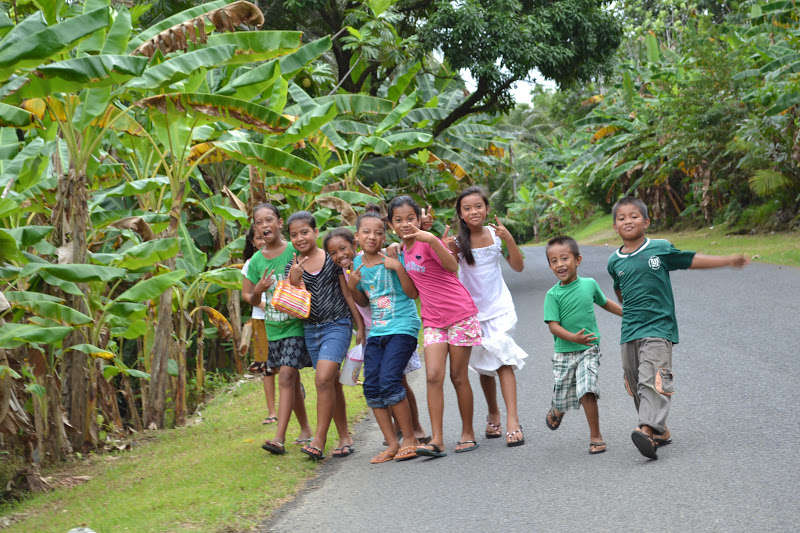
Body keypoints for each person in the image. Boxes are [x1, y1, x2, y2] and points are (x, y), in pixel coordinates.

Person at [607, 196, 750, 459]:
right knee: (634, 380)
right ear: (615, 226)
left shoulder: (659, 248)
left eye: (634, 216)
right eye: (621, 218)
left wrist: (727, 260)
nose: (628, 221)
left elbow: (690, 260)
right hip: (629, 331)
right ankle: (660, 431)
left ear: (647, 222)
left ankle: (647, 428)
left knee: (653, 378)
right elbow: (620, 289)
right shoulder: (614, 261)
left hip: (659, 328)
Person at [388, 195, 481, 457]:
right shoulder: (401, 250)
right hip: (433, 320)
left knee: (458, 376)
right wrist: (398, 267)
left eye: (410, 218)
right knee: (433, 376)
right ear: (391, 225)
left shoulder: (428, 242)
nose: (405, 224)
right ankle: (437, 440)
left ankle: (467, 433)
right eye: (399, 220)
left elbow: (452, 267)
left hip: (460, 314)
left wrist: (431, 239)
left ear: (419, 219)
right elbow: (412, 294)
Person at [324, 226, 429, 444]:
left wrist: (395, 246)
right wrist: (361, 329)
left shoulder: (369, 257)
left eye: (343, 248)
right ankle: (396, 432)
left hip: (397, 325)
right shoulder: (345, 270)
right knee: (379, 383)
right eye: (333, 253)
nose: (339, 255)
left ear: (354, 243)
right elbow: (355, 301)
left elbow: (396, 257)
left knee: (396, 379)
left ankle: (413, 429)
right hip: (374, 330)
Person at [445, 186, 528, 447]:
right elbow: (446, 273)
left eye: (478, 206)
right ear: (460, 214)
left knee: (503, 358)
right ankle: (494, 412)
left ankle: (513, 420)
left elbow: (518, 266)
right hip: (472, 313)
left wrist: (510, 239)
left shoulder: (497, 234)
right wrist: (445, 249)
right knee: (484, 364)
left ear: (487, 208)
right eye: (467, 208)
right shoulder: (458, 243)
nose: (474, 211)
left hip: (500, 308)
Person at [346, 210, 423, 463]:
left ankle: (410, 439)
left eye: (378, 233)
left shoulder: (393, 254)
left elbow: (413, 294)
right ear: (357, 236)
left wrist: (398, 267)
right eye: (366, 232)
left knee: (390, 380)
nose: (372, 237)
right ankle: (392, 444)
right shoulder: (355, 264)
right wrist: (352, 286)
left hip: (403, 327)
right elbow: (363, 303)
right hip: (376, 331)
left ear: (384, 236)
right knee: (371, 386)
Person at [286, 211, 364, 460]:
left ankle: (319, 439)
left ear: (316, 232)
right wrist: (295, 281)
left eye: (304, 232)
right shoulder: (293, 264)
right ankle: (344, 437)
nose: (300, 238)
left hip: (337, 325)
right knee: (330, 382)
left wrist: (359, 325)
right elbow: (294, 303)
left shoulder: (331, 259)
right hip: (311, 329)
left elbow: (349, 294)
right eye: (294, 235)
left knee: (322, 380)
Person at [243, 203, 313, 456]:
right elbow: (248, 296)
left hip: (295, 325)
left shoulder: (295, 249)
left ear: (280, 223)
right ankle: (305, 429)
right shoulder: (256, 261)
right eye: (259, 222)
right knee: (291, 382)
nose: (264, 226)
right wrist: (258, 292)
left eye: (269, 220)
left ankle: (279, 437)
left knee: (285, 377)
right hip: (272, 328)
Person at [544, 236, 622, 454]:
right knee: (563, 393)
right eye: (553, 261)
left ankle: (595, 436)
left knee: (587, 389)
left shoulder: (589, 285)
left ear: (577, 259)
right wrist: (573, 338)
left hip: (589, 348)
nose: (559, 264)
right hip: (564, 352)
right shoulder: (553, 295)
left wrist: (627, 314)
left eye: (564, 258)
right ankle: (558, 409)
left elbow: (605, 303)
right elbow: (553, 327)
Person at [241, 226, 278, 425]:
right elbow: (246, 294)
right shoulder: (251, 264)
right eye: (258, 238)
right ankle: (272, 412)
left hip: (283, 317)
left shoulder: (283, 256)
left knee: (288, 364)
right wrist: (263, 304)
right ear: (253, 242)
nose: (263, 241)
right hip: (261, 319)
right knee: (267, 367)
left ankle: (295, 394)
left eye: (265, 236)